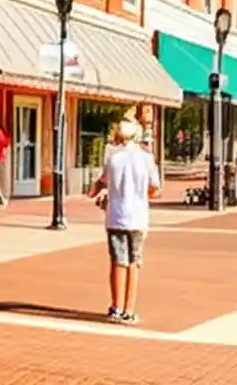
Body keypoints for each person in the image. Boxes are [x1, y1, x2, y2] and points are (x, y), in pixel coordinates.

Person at [89, 117, 161, 325]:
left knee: (117, 261)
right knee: (134, 262)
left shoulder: (113, 157)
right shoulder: (146, 158)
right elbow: (155, 188)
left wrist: (98, 193)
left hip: (116, 215)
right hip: (138, 216)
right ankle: (129, 309)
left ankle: (116, 307)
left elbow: (101, 184)